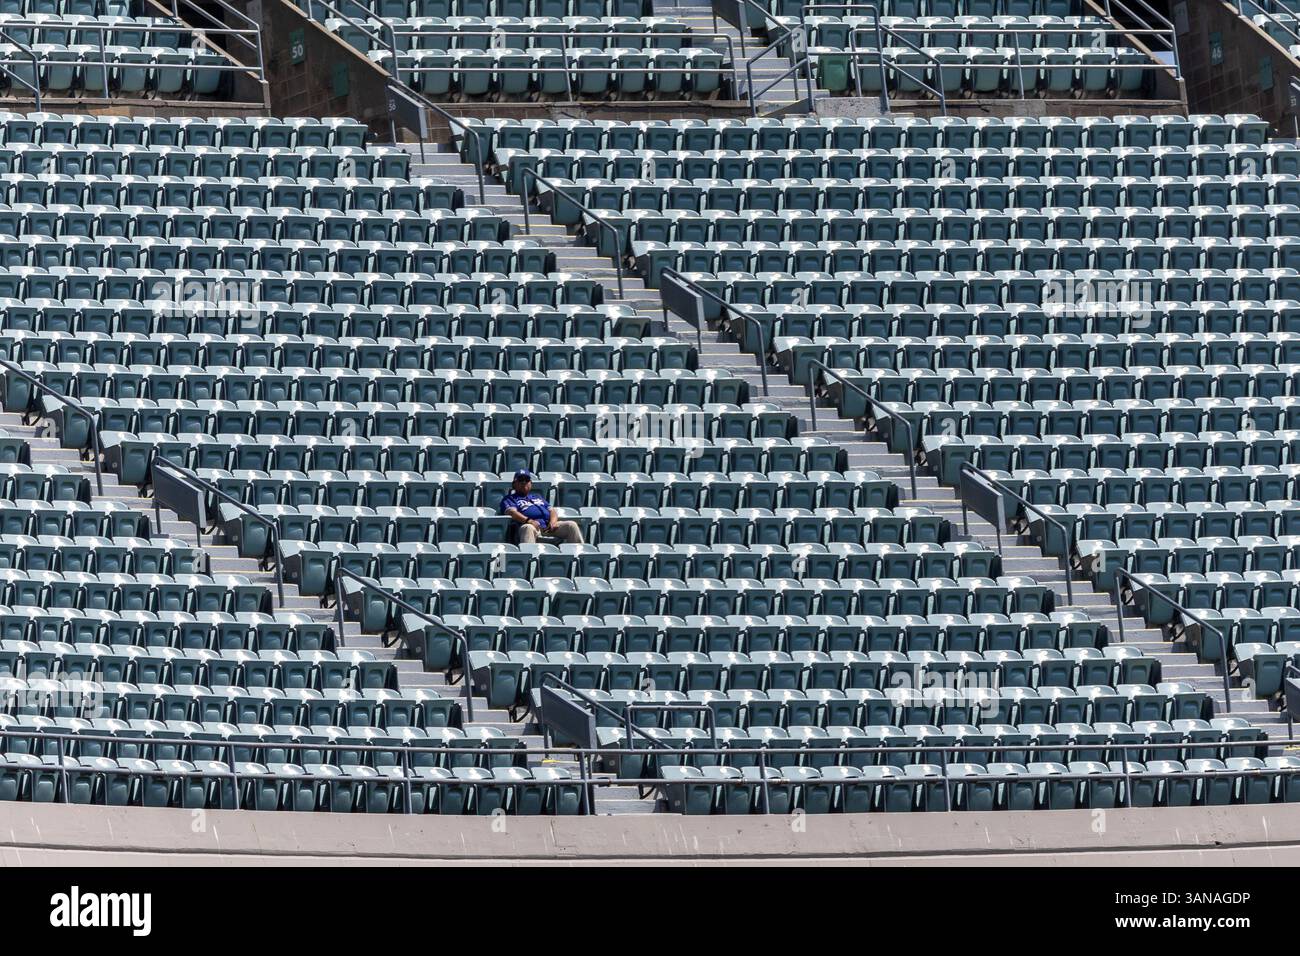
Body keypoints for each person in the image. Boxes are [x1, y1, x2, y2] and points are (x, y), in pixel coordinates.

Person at [499, 470, 584, 545]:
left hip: (548, 527)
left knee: (571, 525)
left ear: (531, 484)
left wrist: (553, 522)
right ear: (514, 484)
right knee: (527, 527)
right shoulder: (509, 499)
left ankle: (579, 558)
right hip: (530, 527)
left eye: (527, 480)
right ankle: (529, 559)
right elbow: (512, 513)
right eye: (520, 480)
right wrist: (529, 521)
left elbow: (552, 511)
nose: (524, 482)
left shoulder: (537, 497)